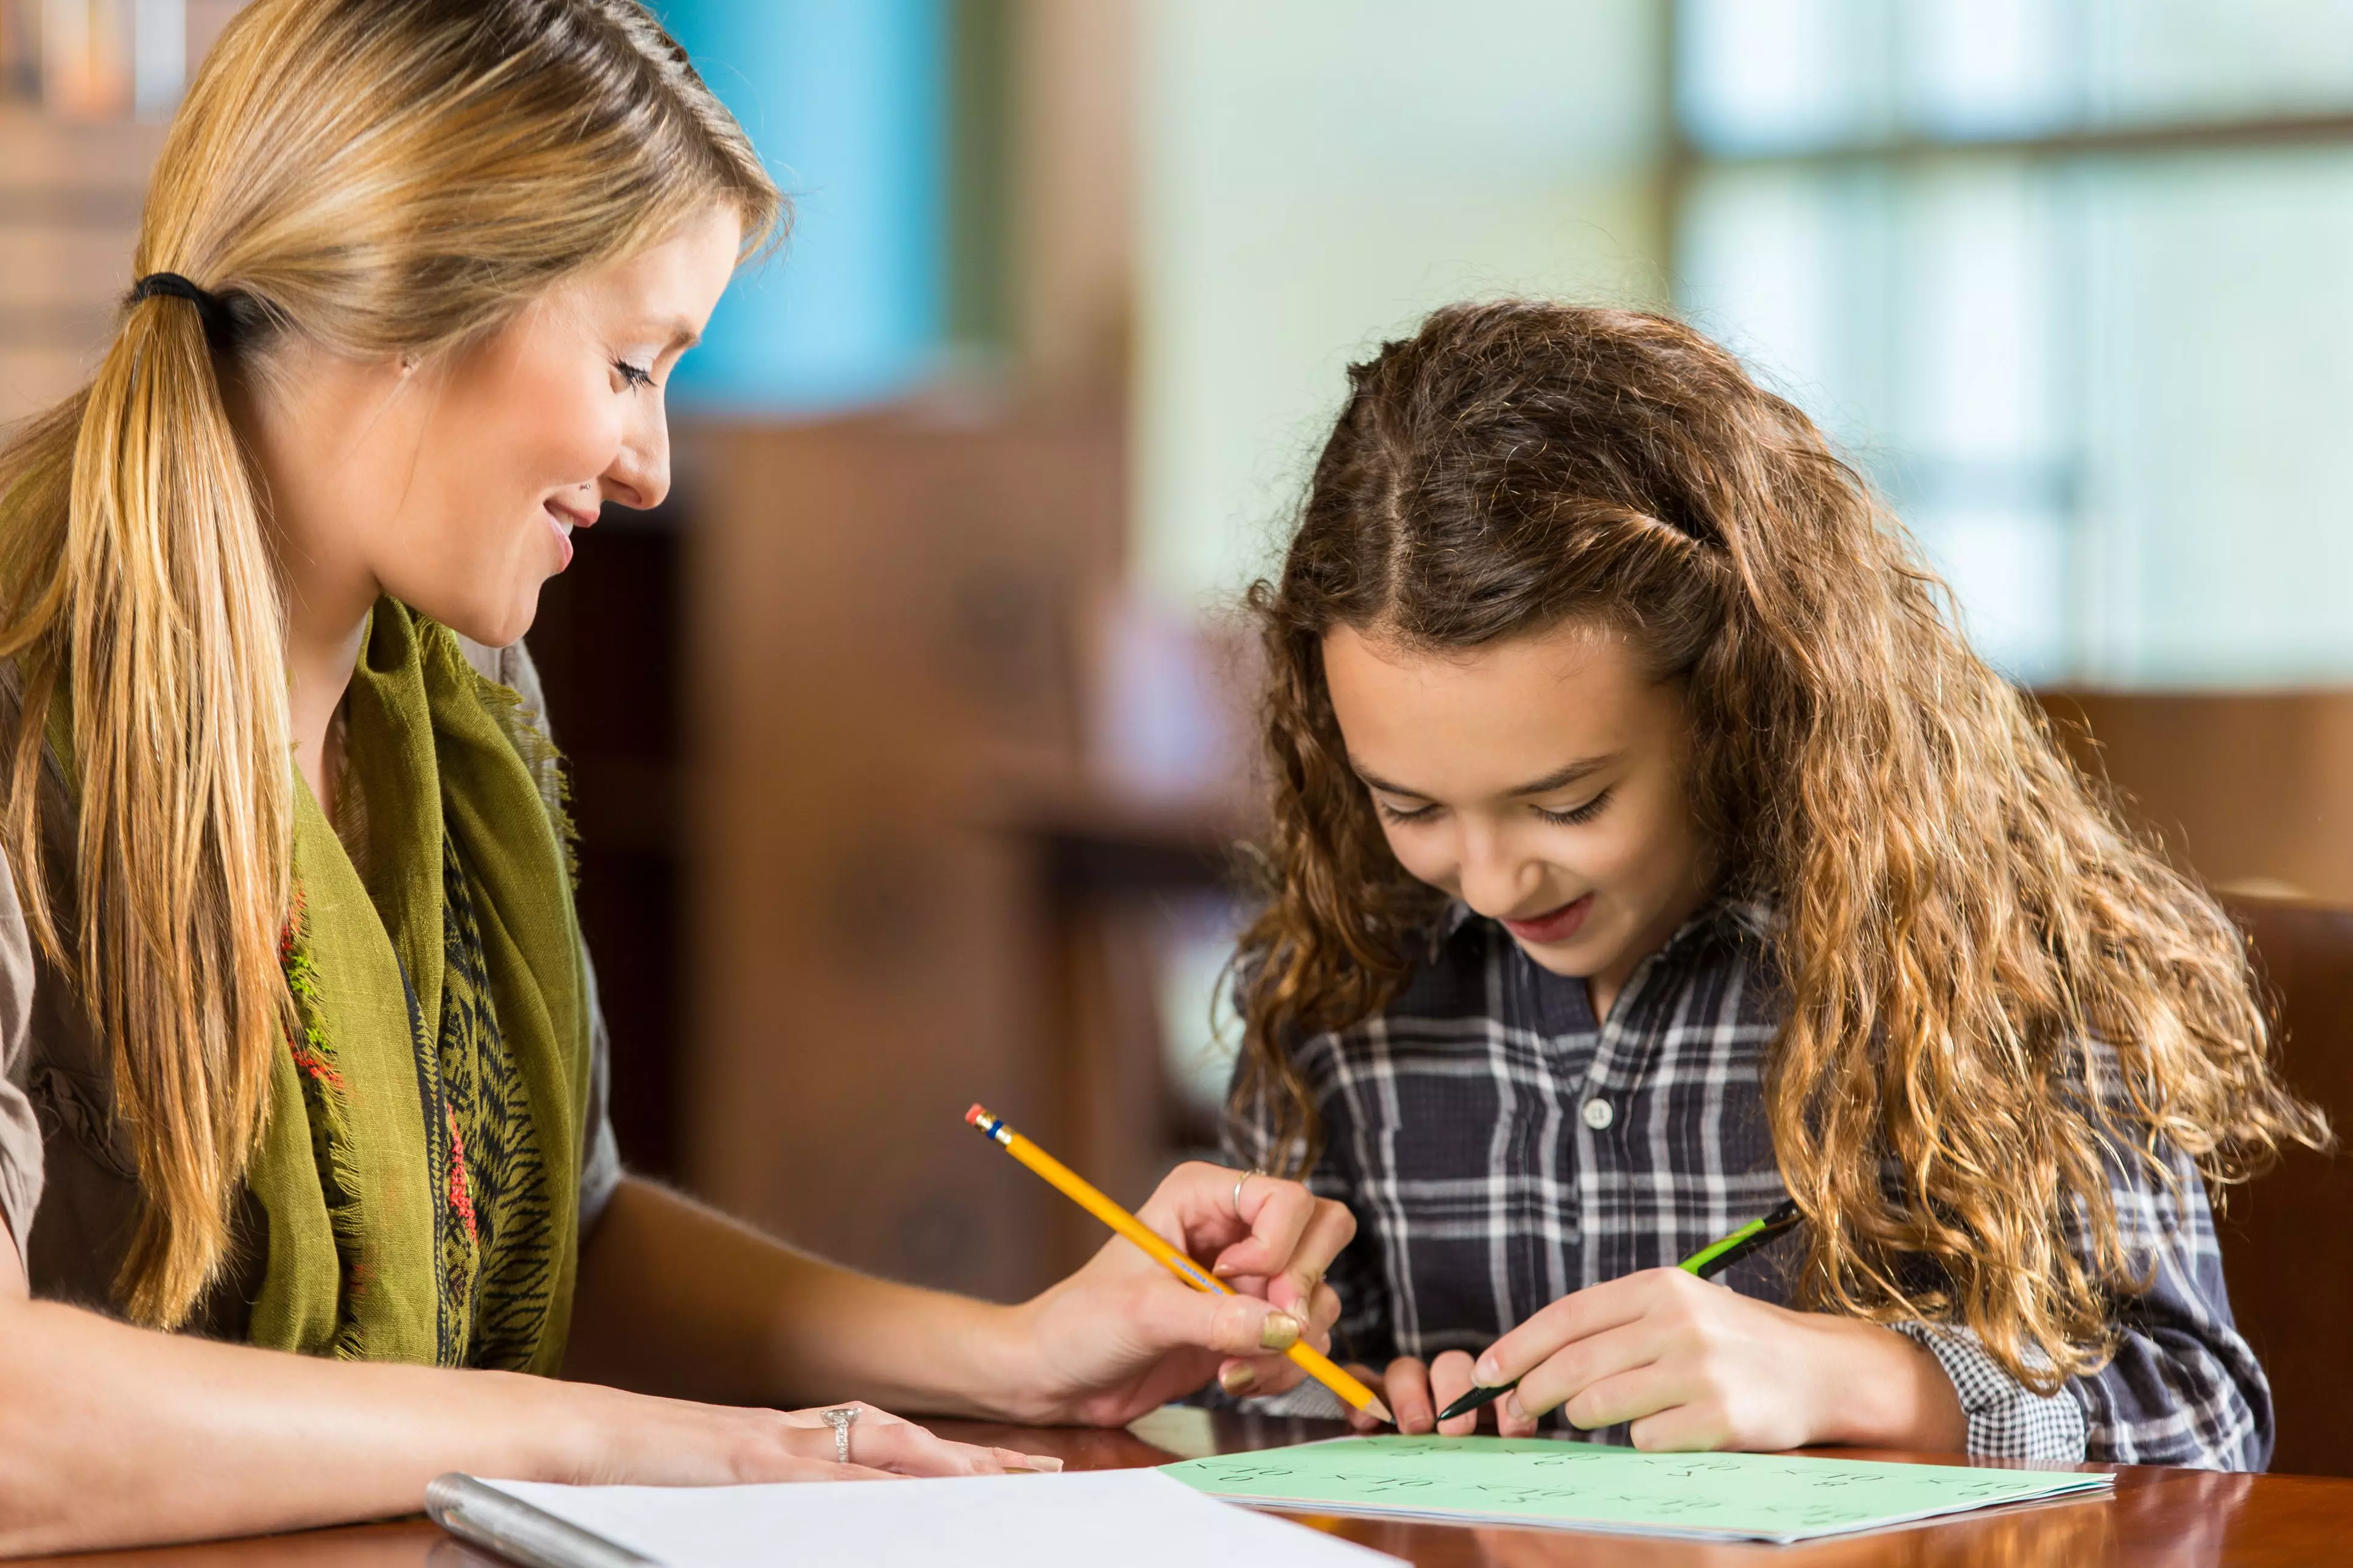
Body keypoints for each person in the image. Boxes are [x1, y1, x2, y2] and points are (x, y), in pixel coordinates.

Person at [0, 2, 1350, 1553]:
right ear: (412, 294)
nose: (649, 462)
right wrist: (621, 1447)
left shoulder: (461, 704)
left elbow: (565, 1247)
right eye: (634, 362)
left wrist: (1016, 1351)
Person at [1220, 300, 2329, 1469]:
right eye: (1412, 807)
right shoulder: (1345, 983)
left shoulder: (1987, 956)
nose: (1489, 880)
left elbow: (2204, 1419)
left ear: (1737, 702)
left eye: (1569, 805)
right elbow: (1303, 1414)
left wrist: (1864, 1381)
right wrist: (1350, 1391)